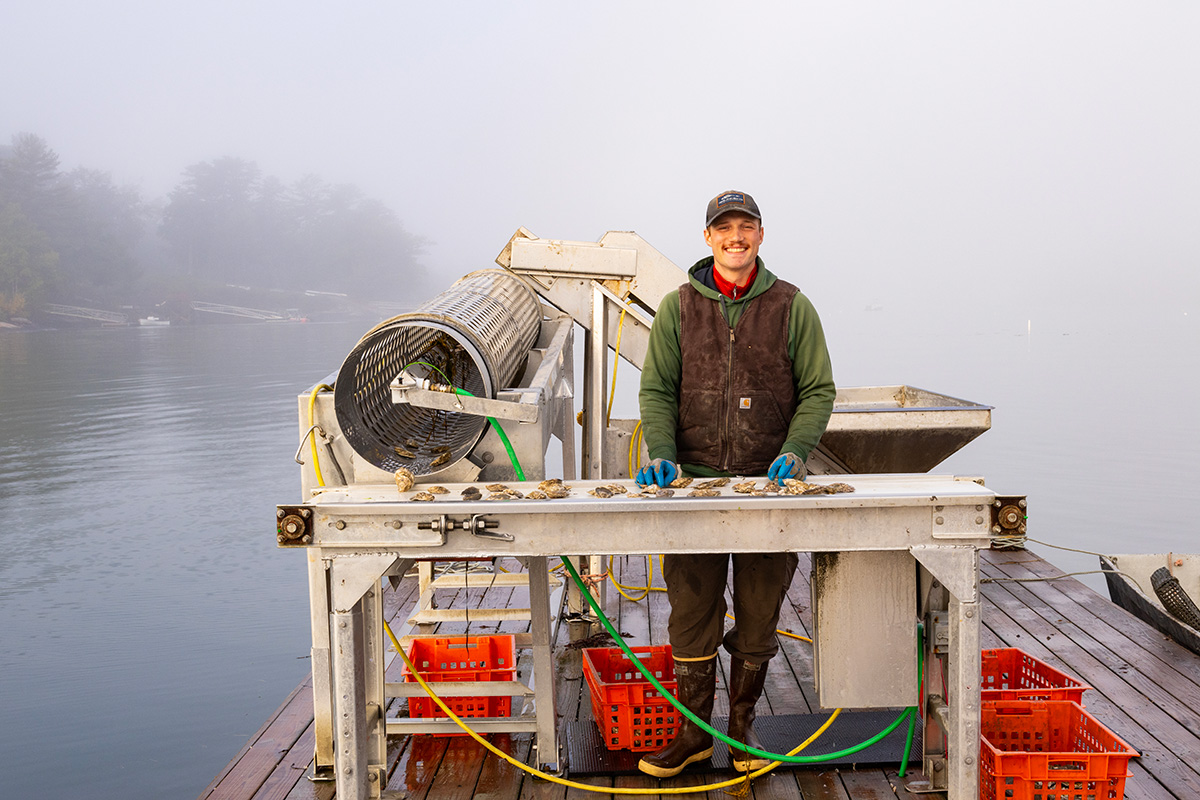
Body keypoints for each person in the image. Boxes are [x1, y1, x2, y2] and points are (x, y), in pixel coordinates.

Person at [635, 190, 835, 777]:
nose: (735, 237)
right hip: (693, 484)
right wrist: (663, 455)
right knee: (690, 611)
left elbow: (817, 390)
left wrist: (795, 452)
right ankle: (694, 734)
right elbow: (657, 391)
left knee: (757, 611)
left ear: (761, 235)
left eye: (745, 227)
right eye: (724, 228)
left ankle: (743, 730)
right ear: (708, 239)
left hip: (768, 487)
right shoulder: (677, 308)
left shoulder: (793, 306)